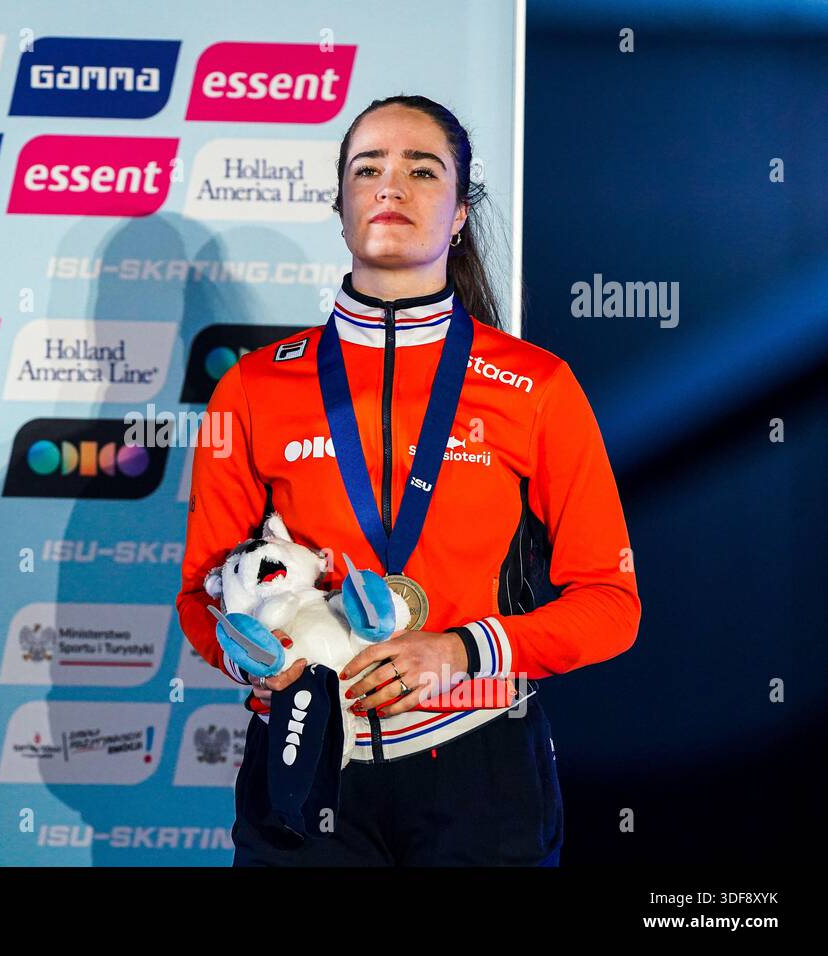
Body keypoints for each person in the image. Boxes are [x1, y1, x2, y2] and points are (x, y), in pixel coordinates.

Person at [174, 94, 641, 866]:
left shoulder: (536, 385)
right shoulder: (254, 387)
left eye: (422, 171)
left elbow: (611, 604)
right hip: (304, 761)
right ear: (341, 205)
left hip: (479, 767)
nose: (391, 186)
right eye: (368, 169)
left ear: (459, 213)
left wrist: (461, 650)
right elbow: (200, 596)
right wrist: (246, 652)